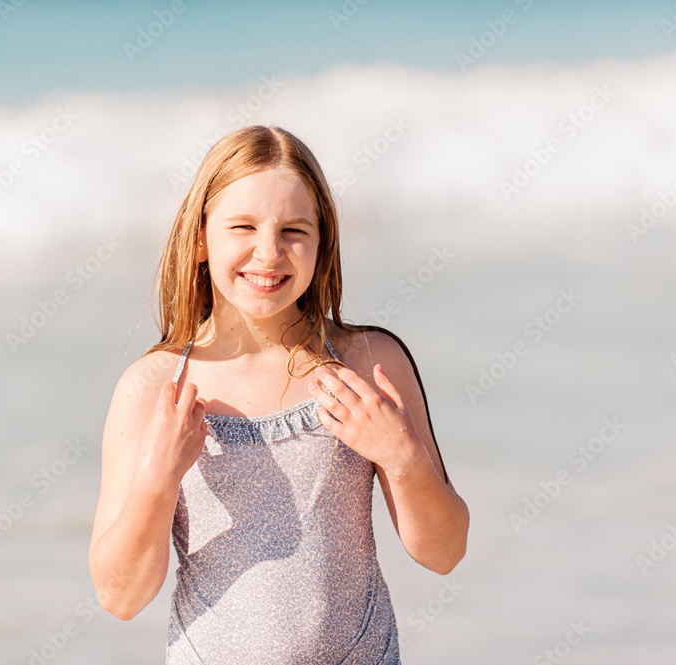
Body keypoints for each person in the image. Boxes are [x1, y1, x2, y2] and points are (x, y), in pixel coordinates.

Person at [89, 125, 468, 664]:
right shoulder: (154, 390)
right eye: (242, 225)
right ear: (200, 238)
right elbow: (120, 596)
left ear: (322, 243)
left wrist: (401, 457)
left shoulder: (366, 364)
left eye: (294, 230)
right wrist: (158, 478)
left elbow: (445, 552)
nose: (268, 253)